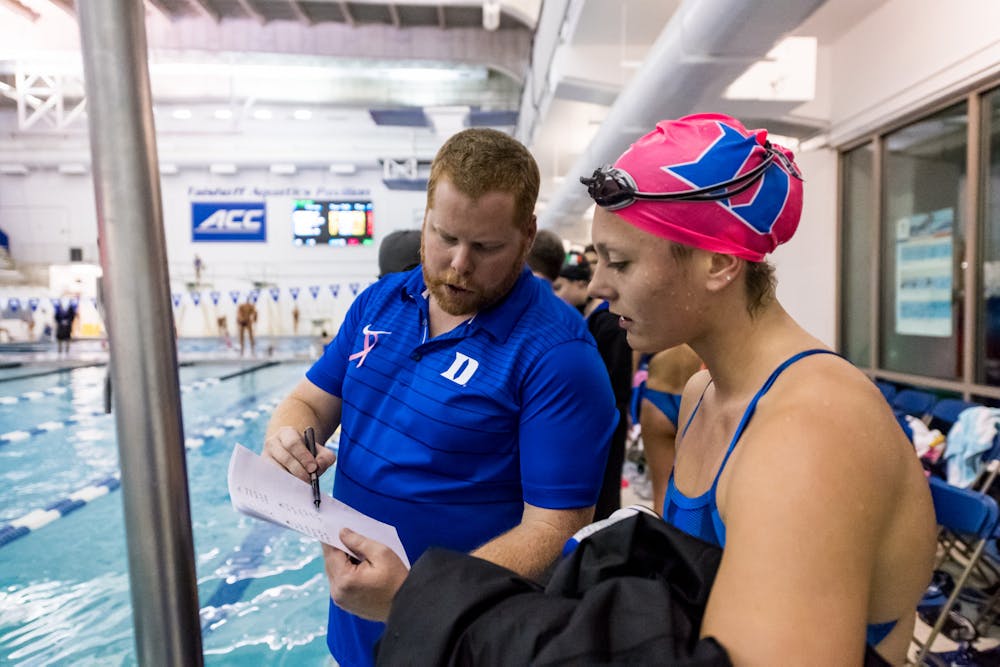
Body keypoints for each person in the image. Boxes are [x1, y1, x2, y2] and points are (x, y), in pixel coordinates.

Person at [579, 113, 936, 663]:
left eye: (619, 263)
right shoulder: (703, 391)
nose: (599, 288)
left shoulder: (813, 431)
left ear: (718, 262)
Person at [262, 127, 618, 667]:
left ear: (527, 236)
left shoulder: (558, 355)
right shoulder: (381, 302)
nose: (458, 264)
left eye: (486, 247)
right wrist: (286, 438)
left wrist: (420, 599)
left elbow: (554, 529)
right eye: (444, 236)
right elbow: (308, 403)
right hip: (354, 634)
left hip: (461, 645)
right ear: (425, 216)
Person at [553, 256, 632, 520]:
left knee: (605, 486)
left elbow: (615, 377)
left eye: (559, 287)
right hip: (600, 414)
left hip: (608, 416)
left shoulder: (611, 322)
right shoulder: (593, 319)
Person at [637, 345, 703, 513]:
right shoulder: (705, 329)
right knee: (697, 492)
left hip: (659, 393)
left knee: (661, 492)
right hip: (698, 397)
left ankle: (661, 537)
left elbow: (636, 355)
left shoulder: (666, 329)